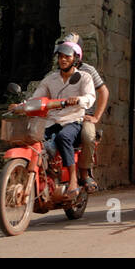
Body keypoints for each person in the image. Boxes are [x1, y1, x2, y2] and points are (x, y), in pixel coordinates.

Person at [29, 41, 95, 199]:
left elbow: (90, 97)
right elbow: (37, 96)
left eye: (67, 57)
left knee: (63, 137)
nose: (63, 60)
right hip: (51, 121)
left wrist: (78, 99)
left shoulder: (84, 77)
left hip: (73, 120)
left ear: (75, 59)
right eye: (60, 57)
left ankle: (73, 178)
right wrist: (22, 105)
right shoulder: (50, 79)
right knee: (35, 141)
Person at [60, 32, 108, 193]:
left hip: (83, 117)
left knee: (88, 136)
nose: (65, 55)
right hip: (61, 115)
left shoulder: (88, 70)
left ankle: (84, 172)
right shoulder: (57, 71)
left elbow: (104, 92)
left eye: (70, 50)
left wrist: (96, 117)